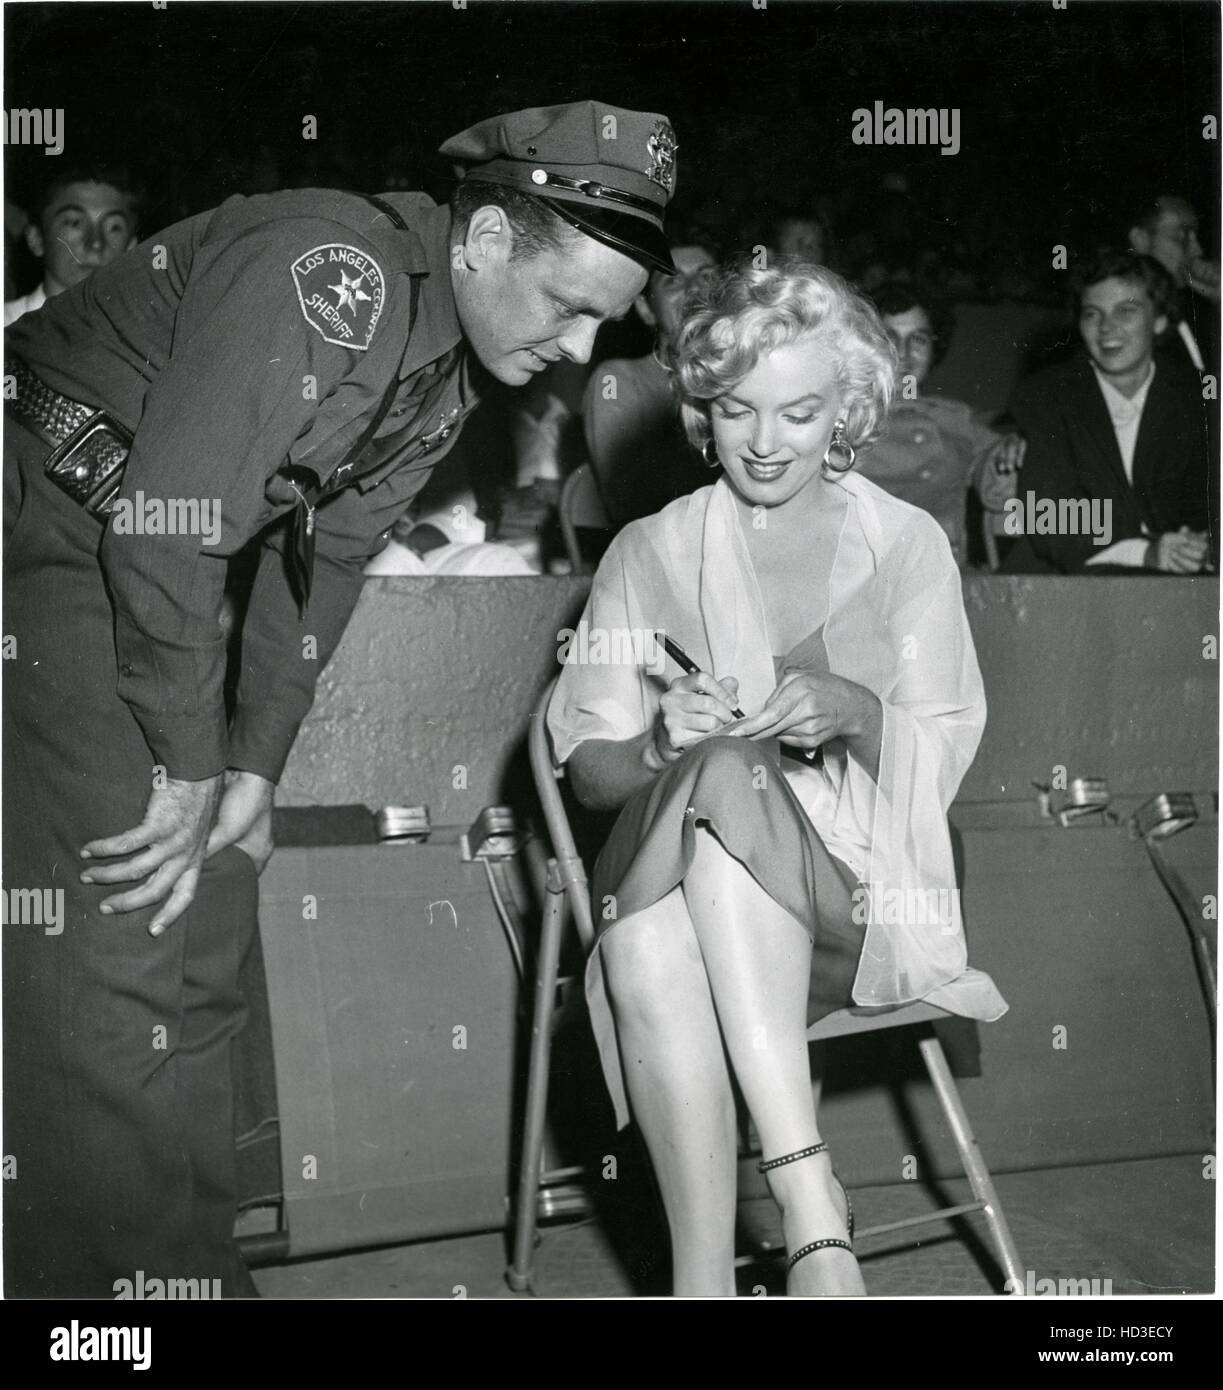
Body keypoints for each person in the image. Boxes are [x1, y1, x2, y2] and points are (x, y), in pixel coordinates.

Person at [3, 99, 677, 1298]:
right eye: (568, 305)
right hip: (48, 522)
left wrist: (252, 770)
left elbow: (326, 569)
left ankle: (184, 1271)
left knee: (208, 903)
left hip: (145, 549)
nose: (581, 352)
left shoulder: (447, 365)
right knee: (116, 927)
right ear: (480, 240)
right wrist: (186, 763)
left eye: (605, 322)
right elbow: (166, 542)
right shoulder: (335, 274)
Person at [547, 263, 1006, 1297]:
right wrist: (663, 747)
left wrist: (856, 710)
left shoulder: (904, 545)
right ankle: (804, 1225)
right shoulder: (646, 551)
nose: (763, 442)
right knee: (688, 842)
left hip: (859, 899)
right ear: (700, 412)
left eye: (798, 413)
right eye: (736, 409)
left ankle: (728, 1261)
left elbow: (941, 760)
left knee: (648, 934)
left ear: (846, 409)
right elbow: (590, 775)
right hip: (678, 884)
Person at [1002, 249, 1214, 574]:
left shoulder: (1200, 397)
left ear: (1159, 319)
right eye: (1092, 314)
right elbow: (1049, 516)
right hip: (1069, 584)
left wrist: (1199, 547)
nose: (1106, 328)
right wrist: (1145, 554)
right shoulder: (1046, 395)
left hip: (1186, 587)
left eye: (1125, 311)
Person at [856, 282, 1022, 568]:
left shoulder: (956, 418)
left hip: (940, 574)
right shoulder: (843, 418)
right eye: (890, 337)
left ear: (934, 348)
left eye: (918, 339)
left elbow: (997, 466)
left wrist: (1010, 450)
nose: (904, 352)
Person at [582, 238, 717, 525]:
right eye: (673, 281)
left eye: (707, 276)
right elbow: (632, 507)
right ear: (645, 309)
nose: (694, 288)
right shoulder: (620, 381)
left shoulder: (752, 377)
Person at [4, 166, 139, 325]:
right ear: (37, 239)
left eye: (113, 227)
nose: (96, 243)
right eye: (75, 223)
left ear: (131, 247)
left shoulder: (148, 333)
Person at [1127, 194, 1219, 377]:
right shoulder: (1122, 318)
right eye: (1182, 238)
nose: (1197, 250)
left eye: (1195, 238)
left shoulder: (1197, 311)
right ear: (1140, 240)